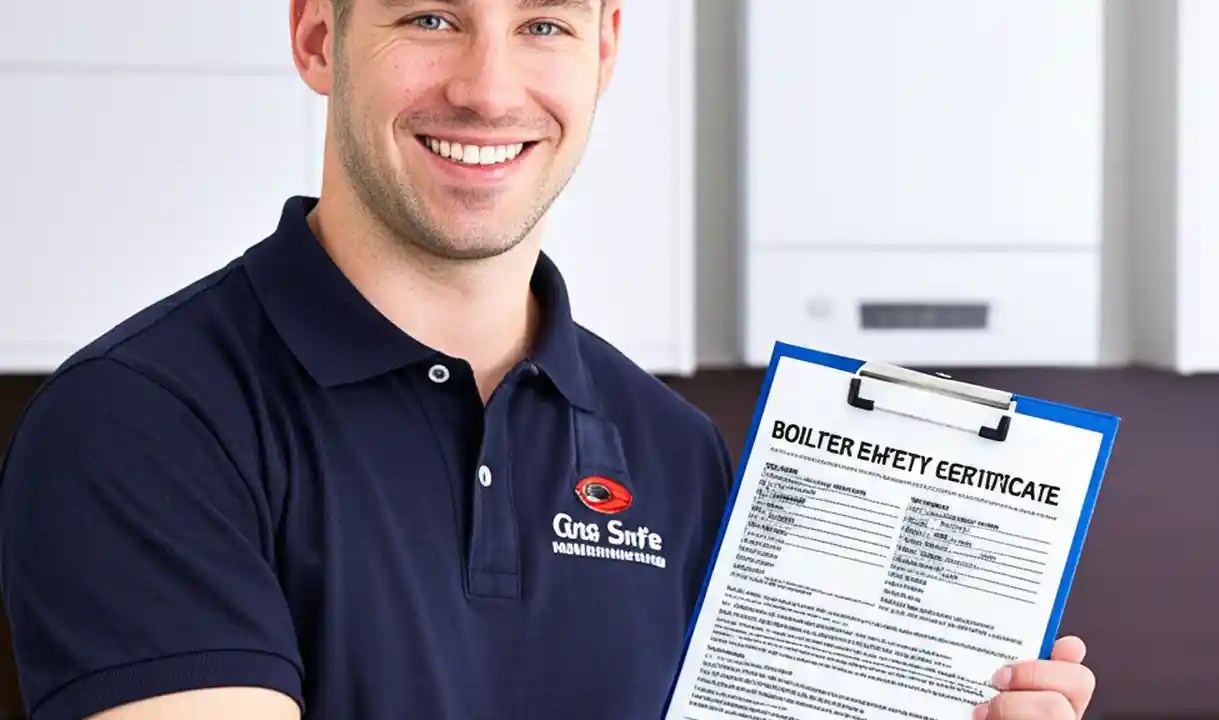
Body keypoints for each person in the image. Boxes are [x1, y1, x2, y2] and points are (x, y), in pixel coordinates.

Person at [0, 0, 1097, 718]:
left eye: (542, 25)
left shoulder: (670, 448)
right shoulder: (144, 420)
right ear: (318, 40)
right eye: (431, 16)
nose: (486, 89)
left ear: (605, 49)